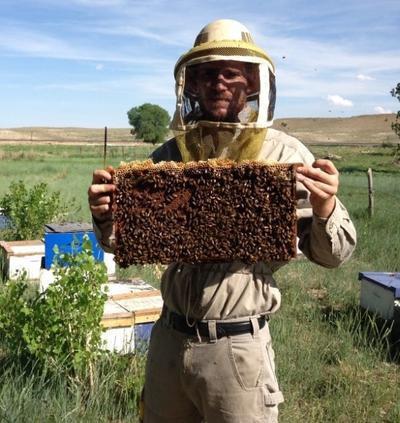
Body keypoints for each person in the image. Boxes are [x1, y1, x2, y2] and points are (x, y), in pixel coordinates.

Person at [88, 19, 356, 423]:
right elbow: (124, 243)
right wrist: (105, 217)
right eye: (207, 74)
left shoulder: (287, 155)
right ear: (190, 84)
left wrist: (325, 209)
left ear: (251, 81)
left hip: (237, 349)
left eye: (231, 73)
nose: (219, 83)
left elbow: (335, 254)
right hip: (167, 342)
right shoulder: (167, 157)